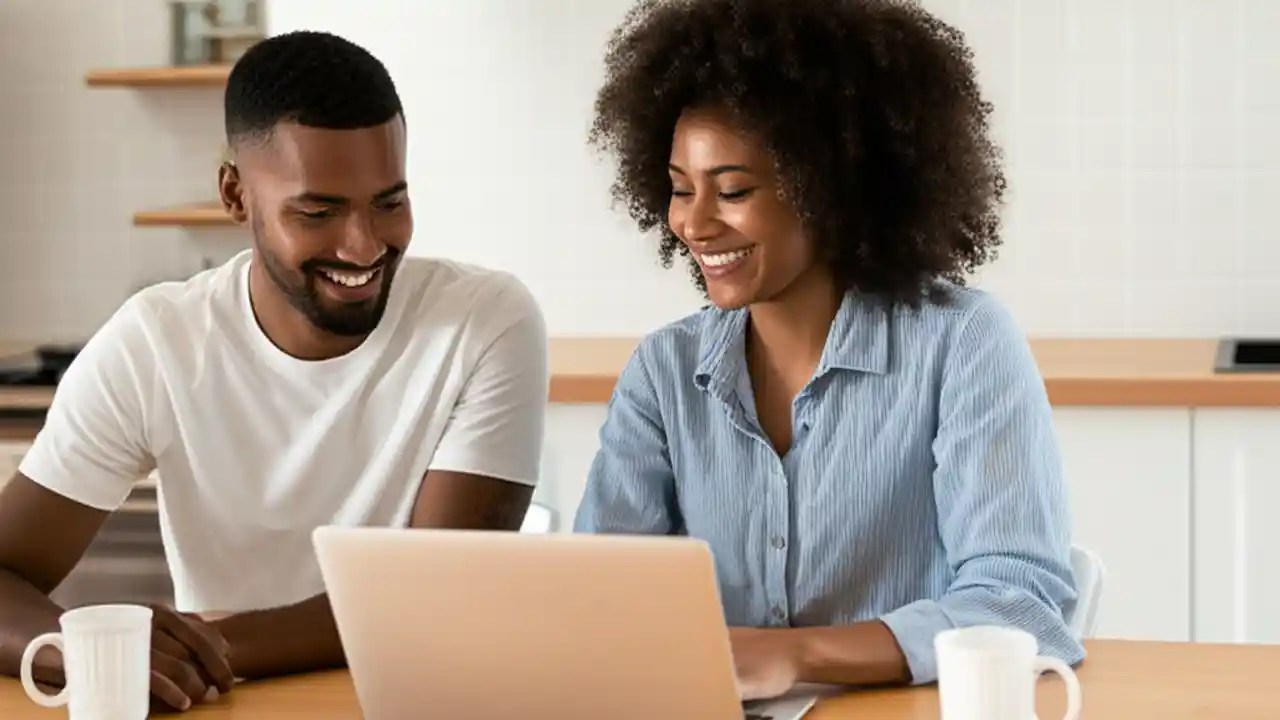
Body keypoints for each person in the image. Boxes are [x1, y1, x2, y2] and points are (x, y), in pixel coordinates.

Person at [0, 31, 547, 711]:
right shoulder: (156, 342)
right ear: (235, 196)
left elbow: (432, 592)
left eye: (389, 202)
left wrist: (202, 648)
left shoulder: (486, 322)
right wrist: (96, 649)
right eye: (318, 211)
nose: (365, 244)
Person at [574, 0, 1084, 700]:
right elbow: (597, 599)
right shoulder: (664, 373)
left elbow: (1019, 605)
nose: (694, 223)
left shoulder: (962, 344)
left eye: (733, 190)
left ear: (832, 187)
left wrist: (793, 654)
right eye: (679, 189)